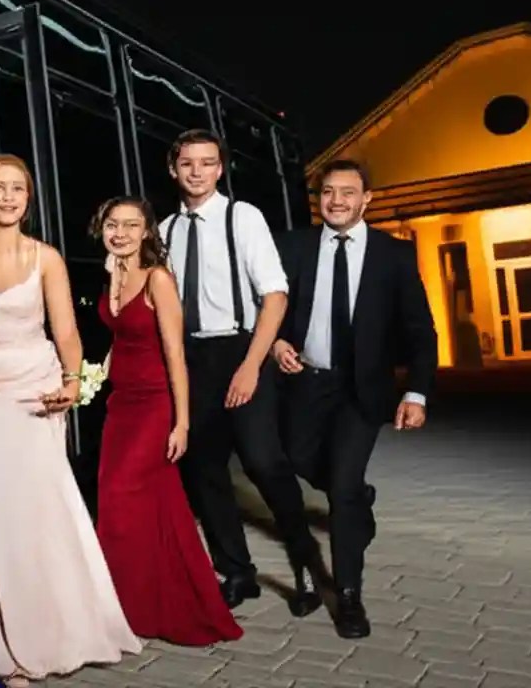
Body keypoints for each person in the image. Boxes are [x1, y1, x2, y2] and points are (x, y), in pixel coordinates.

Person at [0, 154, 142, 686]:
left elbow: (67, 333)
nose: (9, 198)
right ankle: (15, 648)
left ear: (28, 198)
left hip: (36, 390)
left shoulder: (46, 257)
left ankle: (72, 629)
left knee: (47, 511)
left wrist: (71, 386)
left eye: (19, 189)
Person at [156, 128, 323, 617]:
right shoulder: (164, 230)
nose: (197, 172)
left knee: (262, 461)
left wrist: (253, 363)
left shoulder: (242, 216)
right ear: (174, 168)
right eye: (187, 163)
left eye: (207, 163)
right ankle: (237, 572)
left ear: (220, 168)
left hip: (240, 349)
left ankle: (305, 560)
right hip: (192, 357)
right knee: (204, 469)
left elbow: (275, 295)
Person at [272, 158, 437, 639]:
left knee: (341, 486)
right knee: (300, 460)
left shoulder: (394, 255)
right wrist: (279, 343)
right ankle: (358, 498)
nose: (337, 201)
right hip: (307, 381)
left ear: (367, 199)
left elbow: (419, 329)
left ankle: (347, 596)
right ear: (317, 198)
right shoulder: (294, 246)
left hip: (361, 390)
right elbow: (272, 305)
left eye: (347, 192)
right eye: (327, 192)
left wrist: (417, 391)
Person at [92, 196, 243, 646]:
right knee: (145, 505)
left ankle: (127, 605)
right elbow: (121, 339)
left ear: (147, 232)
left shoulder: (157, 278)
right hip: (120, 405)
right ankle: (138, 605)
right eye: (112, 224)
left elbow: (175, 353)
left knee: (121, 496)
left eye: (131, 225)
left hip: (156, 403)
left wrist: (182, 422)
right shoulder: (111, 275)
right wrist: (93, 376)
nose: (120, 233)